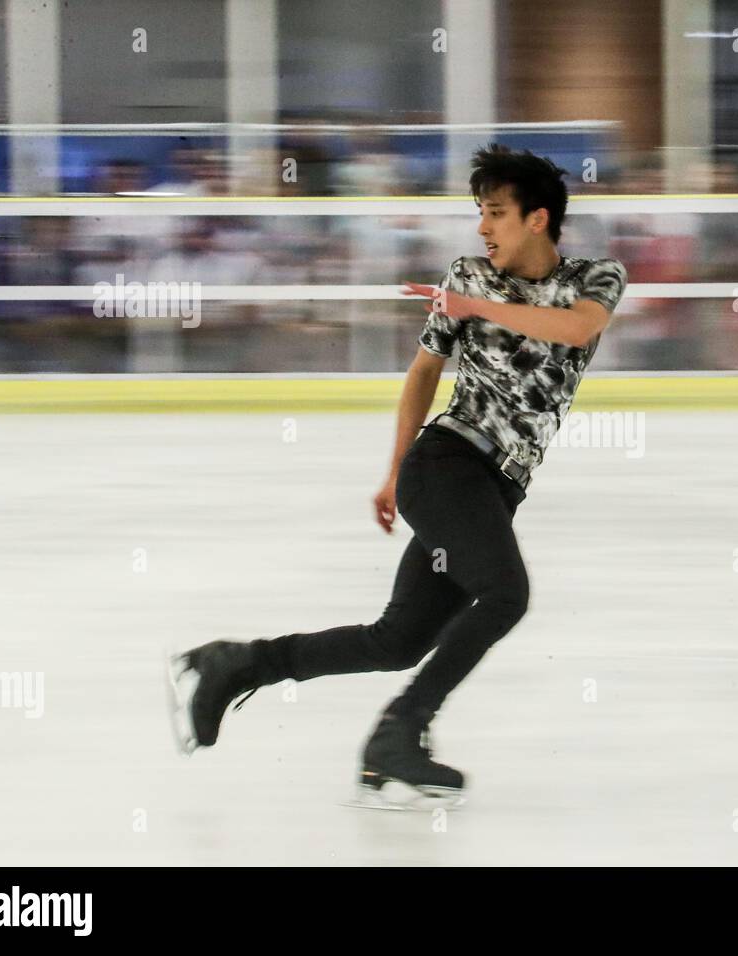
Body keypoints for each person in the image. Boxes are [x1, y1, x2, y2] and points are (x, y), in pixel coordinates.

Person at [168, 143, 628, 809]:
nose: (481, 227)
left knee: (399, 639)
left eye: (494, 213)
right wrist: (392, 473)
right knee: (505, 595)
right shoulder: (468, 276)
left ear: (537, 218)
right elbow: (423, 373)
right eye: (479, 212)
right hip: (447, 465)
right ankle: (399, 733)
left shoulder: (595, 276)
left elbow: (575, 330)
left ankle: (237, 664)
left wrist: (480, 312)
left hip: (497, 486)